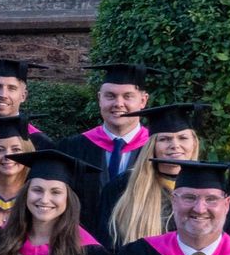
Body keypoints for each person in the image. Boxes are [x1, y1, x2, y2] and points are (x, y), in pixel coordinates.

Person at [100, 103, 230, 248]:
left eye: (183, 138)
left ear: (194, 143)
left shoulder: (214, 191)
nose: (175, 145)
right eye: (164, 139)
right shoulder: (123, 187)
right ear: (152, 145)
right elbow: (107, 245)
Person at [53, 62, 154, 237]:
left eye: (128, 96)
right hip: (82, 245)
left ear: (143, 100)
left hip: (140, 244)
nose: (118, 103)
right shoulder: (72, 148)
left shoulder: (155, 149)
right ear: (100, 98)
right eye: (110, 96)